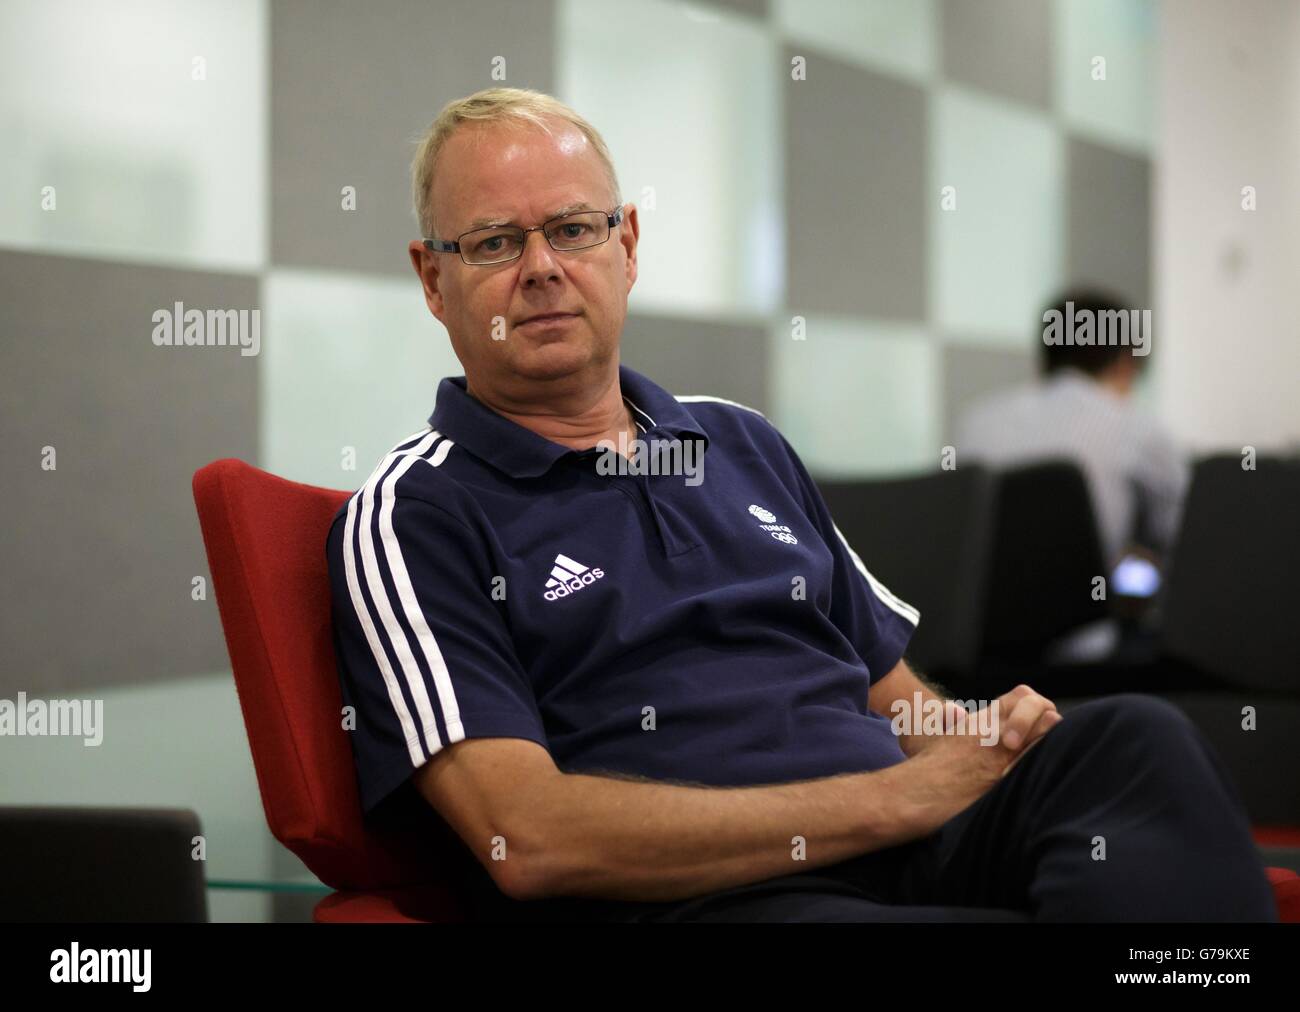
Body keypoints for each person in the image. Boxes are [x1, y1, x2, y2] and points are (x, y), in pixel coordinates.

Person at [324, 88, 1276, 922]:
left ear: (628, 245)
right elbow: (522, 840)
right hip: (717, 896)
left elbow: (902, 704)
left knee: (1135, 741)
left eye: (574, 228)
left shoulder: (740, 441)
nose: (542, 267)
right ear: (432, 280)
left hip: (906, 849)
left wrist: (984, 741)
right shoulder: (415, 516)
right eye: (494, 241)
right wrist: (893, 802)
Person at [957, 288, 1191, 572]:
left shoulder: (976, 420)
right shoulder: (1136, 427)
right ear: (1125, 363)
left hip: (975, 613)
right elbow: (1191, 534)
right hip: (1087, 613)